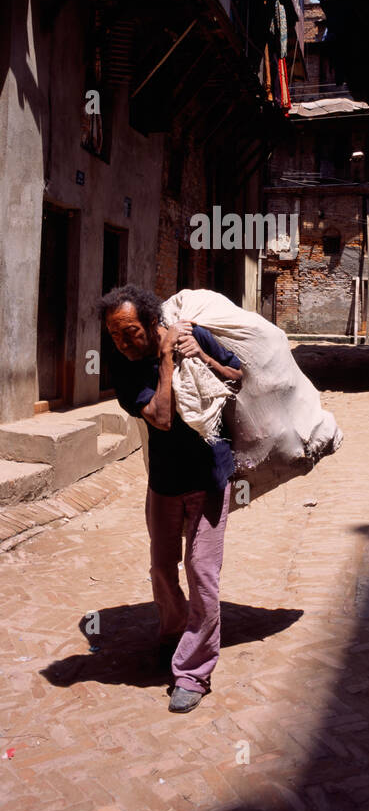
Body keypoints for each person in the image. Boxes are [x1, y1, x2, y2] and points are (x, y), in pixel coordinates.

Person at [98, 284, 242, 713]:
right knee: (162, 568)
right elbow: (160, 418)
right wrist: (164, 359)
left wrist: (204, 356)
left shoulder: (192, 334)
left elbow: (239, 375)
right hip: (164, 482)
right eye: (114, 335)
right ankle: (174, 632)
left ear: (151, 323)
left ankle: (193, 672)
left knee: (201, 571)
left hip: (210, 477)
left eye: (130, 332)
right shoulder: (124, 368)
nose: (122, 343)